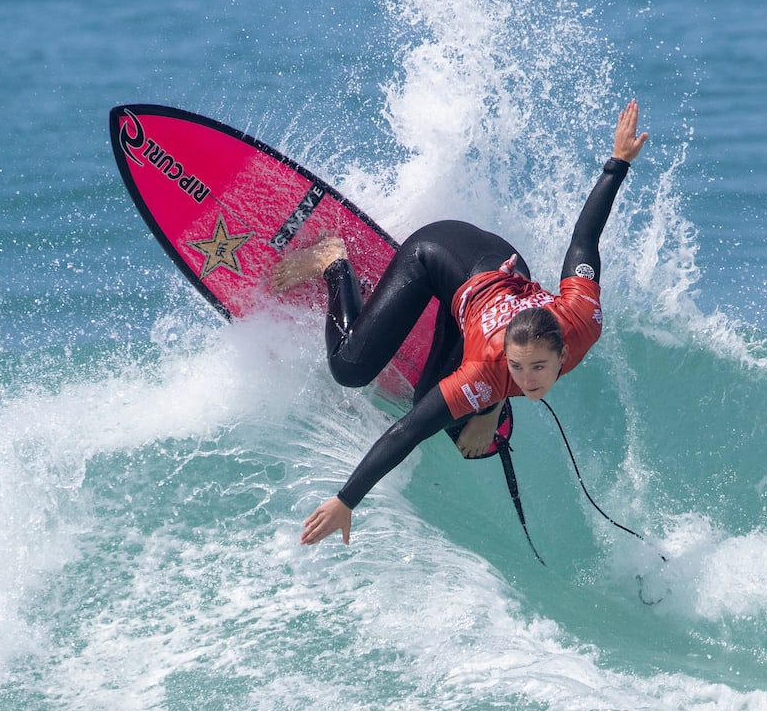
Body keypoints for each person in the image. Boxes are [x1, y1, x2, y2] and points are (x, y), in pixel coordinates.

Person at [277, 100, 649, 546]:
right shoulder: (485, 371)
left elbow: (585, 239)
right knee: (350, 370)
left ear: (563, 353)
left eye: (537, 369)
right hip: (441, 254)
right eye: (517, 368)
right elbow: (408, 431)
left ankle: (477, 388)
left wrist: (618, 163)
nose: (528, 381)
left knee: (431, 400)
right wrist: (345, 501)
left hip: (503, 271)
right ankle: (333, 261)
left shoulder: (581, 316)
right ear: (503, 358)